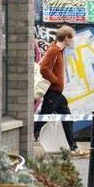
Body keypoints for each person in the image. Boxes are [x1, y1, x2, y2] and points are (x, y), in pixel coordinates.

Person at [35, 26, 86, 156]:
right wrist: (56, 80)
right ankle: (28, 136)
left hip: (57, 94)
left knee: (67, 119)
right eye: (71, 38)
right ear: (66, 38)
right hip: (53, 93)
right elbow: (43, 68)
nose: (72, 41)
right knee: (42, 120)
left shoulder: (60, 51)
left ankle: (73, 148)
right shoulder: (53, 50)